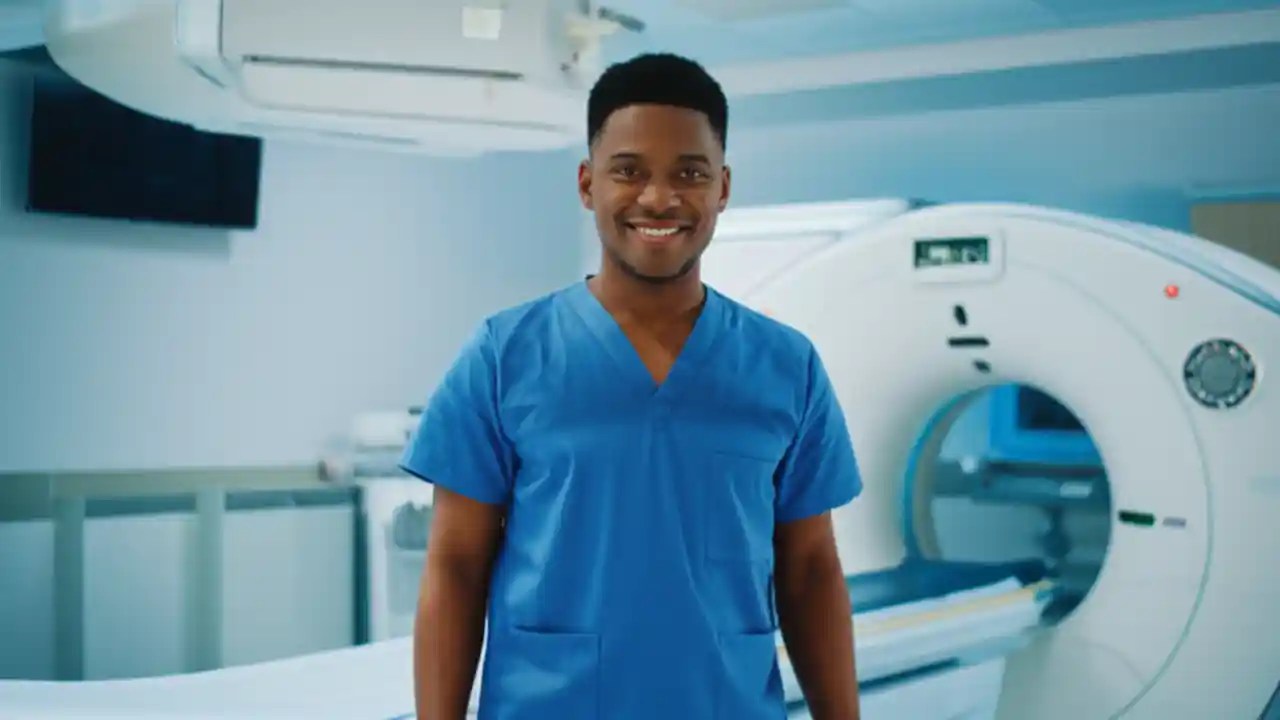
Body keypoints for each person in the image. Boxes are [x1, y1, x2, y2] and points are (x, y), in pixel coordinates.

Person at [401, 52, 863, 720]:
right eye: (629, 171)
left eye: (689, 174)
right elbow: (455, 566)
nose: (658, 197)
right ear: (588, 184)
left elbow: (811, 568)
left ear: (723, 188)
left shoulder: (786, 367)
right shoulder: (506, 355)